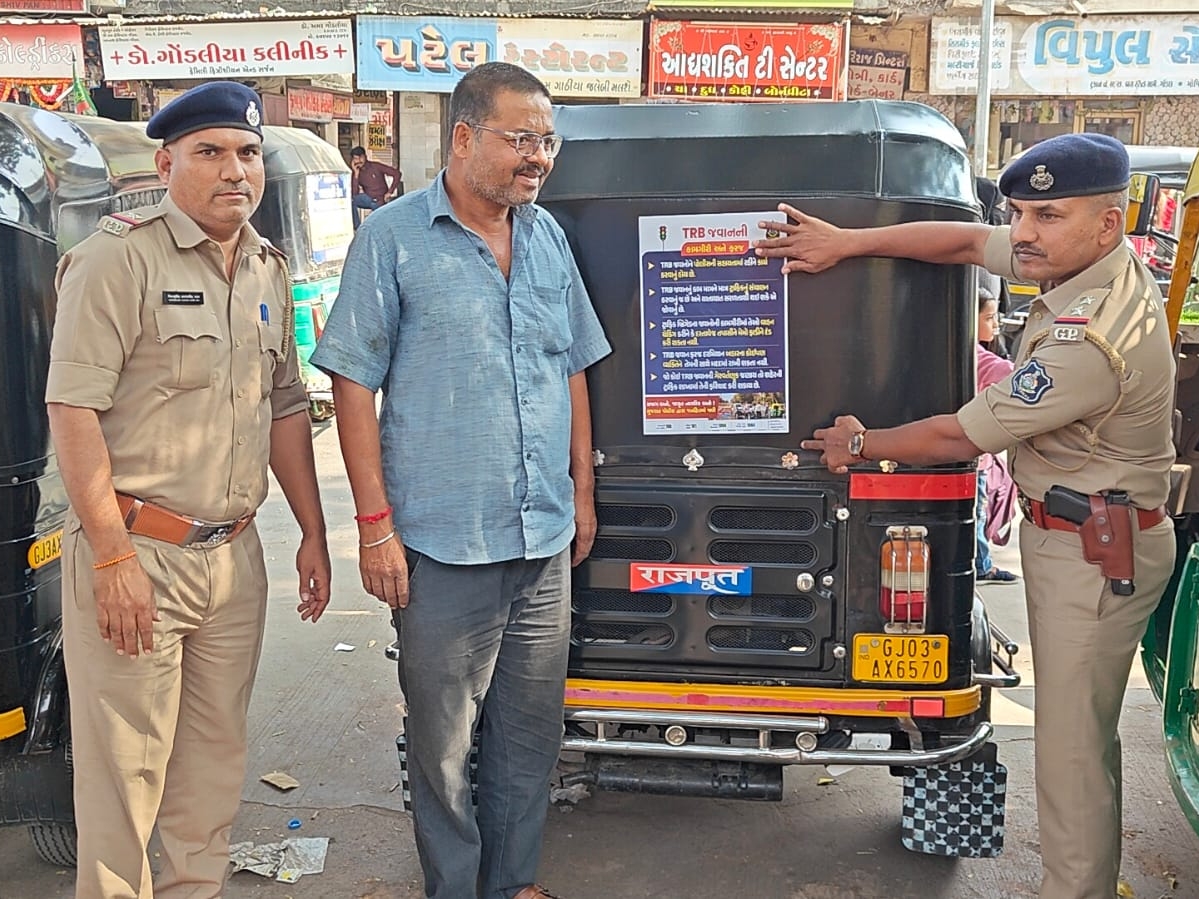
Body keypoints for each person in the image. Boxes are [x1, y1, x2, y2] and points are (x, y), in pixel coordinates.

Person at [755, 132, 1176, 899]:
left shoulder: (1095, 336)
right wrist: (847, 241)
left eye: (1045, 214)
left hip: (1091, 551)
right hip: (1076, 533)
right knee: (1075, 740)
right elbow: (958, 240)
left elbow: (959, 431)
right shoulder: (1078, 258)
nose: (1022, 232)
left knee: (1072, 750)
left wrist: (861, 441)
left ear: (1107, 222)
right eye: (1018, 212)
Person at [311, 62, 611, 899]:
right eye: (520, 139)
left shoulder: (546, 237)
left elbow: (573, 368)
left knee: (528, 737)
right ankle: (453, 888)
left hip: (542, 537)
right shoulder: (394, 238)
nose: (537, 158)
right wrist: (374, 525)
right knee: (442, 747)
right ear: (463, 137)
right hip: (441, 546)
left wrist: (580, 491)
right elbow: (350, 383)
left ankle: (512, 883)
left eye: (546, 141)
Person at [45, 81, 331, 899]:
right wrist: (108, 557)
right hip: (136, 552)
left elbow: (283, 406)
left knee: (210, 770)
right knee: (124, 780)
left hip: (233, 559)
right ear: (166, 163)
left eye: (247, 153)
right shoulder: (117, 258)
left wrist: (313, 530)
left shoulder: (267, 267)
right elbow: (73, 411)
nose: (234, 170)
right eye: (209, 152)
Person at [975, 276, 1018, 583]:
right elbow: (1015, 375)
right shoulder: (984, 360)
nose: (996, 325)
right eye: (989, 318)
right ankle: (982, 564)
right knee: (977, 514)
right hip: (975, 460)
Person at [349, 145, 401, 229]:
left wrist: (390, 192)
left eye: (360, 158)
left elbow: (397, 174)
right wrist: (356, 174)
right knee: (351, 201)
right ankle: (358, 228)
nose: (358, 161)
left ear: (365, 157)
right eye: (355, 159)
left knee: (380, 226)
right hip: (368, 199)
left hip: (380, 201)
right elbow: (354, 193)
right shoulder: (357, 172)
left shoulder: (376, 166)